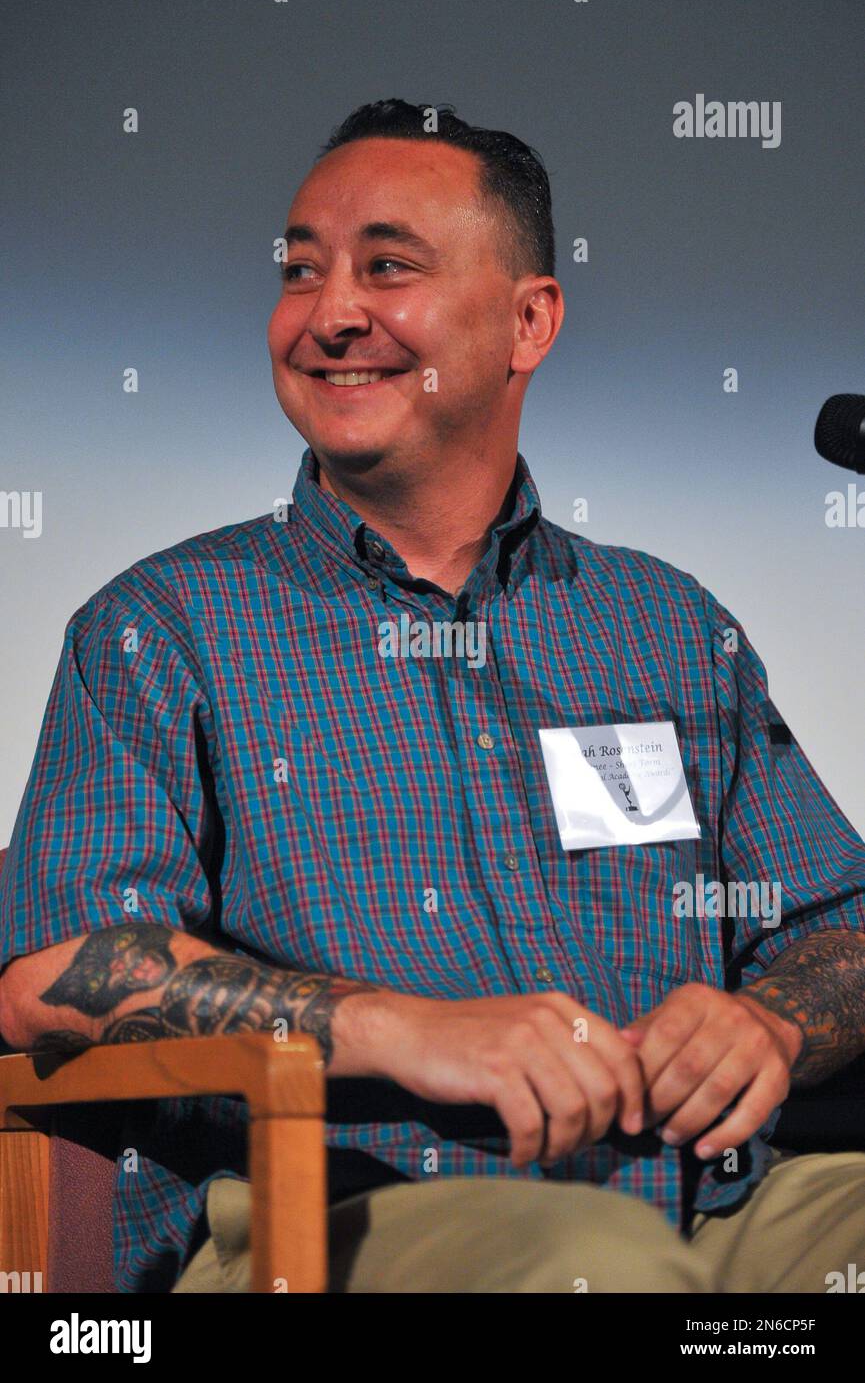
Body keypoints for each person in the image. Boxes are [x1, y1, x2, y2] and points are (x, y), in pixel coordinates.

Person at [1, 98, 865, 1295]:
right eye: (301, 271)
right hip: (338, 1216)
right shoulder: (162, 625)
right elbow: (58, 970)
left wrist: (770, 1022)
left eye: (387, 267)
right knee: (595, 1268)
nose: (330, 311)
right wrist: (411, 1028)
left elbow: (839, 920)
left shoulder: (667, 622)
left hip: (708, 1205)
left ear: (527, 321)